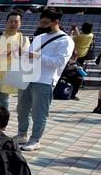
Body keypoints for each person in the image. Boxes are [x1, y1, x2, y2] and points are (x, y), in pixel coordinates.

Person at [17, 8, 74, 151]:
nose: (42, 25)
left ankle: (35, 139)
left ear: (56, 22)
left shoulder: (65, 40)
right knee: (22, 108)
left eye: (45, 22)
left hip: (45, 80)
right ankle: (22, 134)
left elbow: (59, 62)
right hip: (28, 76)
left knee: (39, 112)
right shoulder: (39, 37)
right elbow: (29, 56)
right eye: (41, 22)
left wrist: (37, 56)